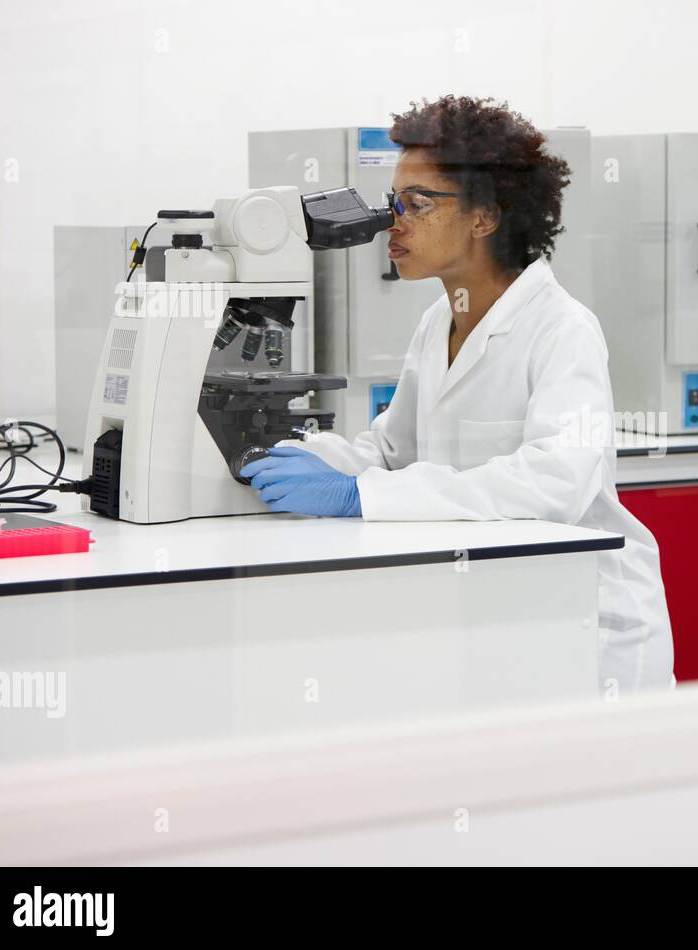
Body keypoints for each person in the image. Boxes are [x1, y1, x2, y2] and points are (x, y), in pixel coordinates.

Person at [242, 95, 674, 693]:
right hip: (497, 618)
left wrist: (358, 497)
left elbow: (555, 483)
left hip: (587, 626)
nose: (393, 223)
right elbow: (393, 451)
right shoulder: (437, 322)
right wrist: (297, 460)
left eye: (416, 205)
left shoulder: (562, 330)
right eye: (393, 203)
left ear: (484, 217)